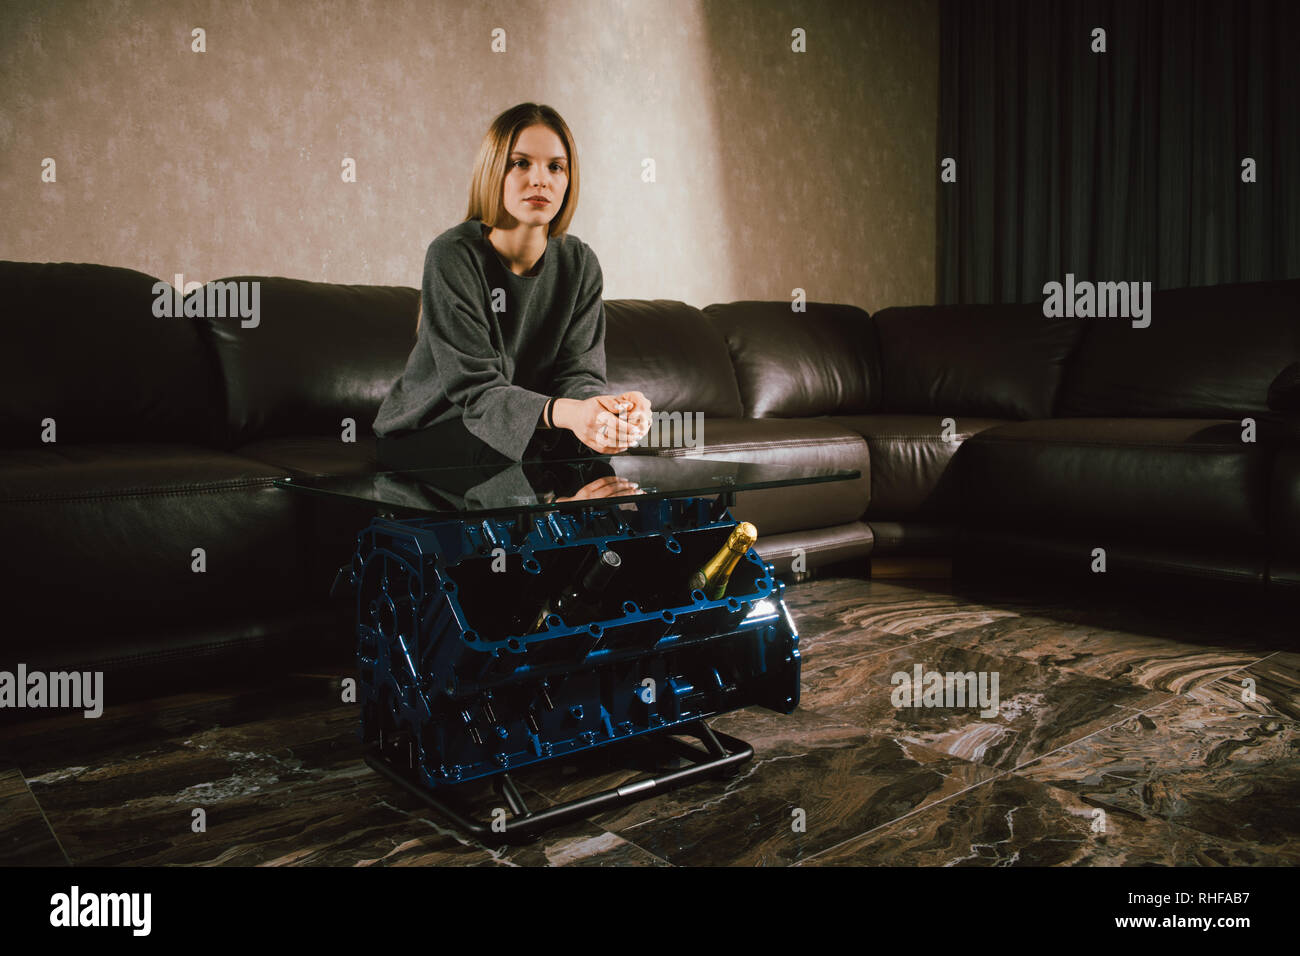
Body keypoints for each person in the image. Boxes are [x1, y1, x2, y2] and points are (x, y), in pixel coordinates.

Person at [373, 102, 653, 484]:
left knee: (585, 449)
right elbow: (476, 391)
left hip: (526, 424)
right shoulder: (452, 255)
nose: (541, 180)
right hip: (433, 425)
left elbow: (580, 373)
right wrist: (568, 414)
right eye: (521, 163)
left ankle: (615, 543)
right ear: (495, 172)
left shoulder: (580, 263)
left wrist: (606, 412)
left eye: (556, 166)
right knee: (507, 456)